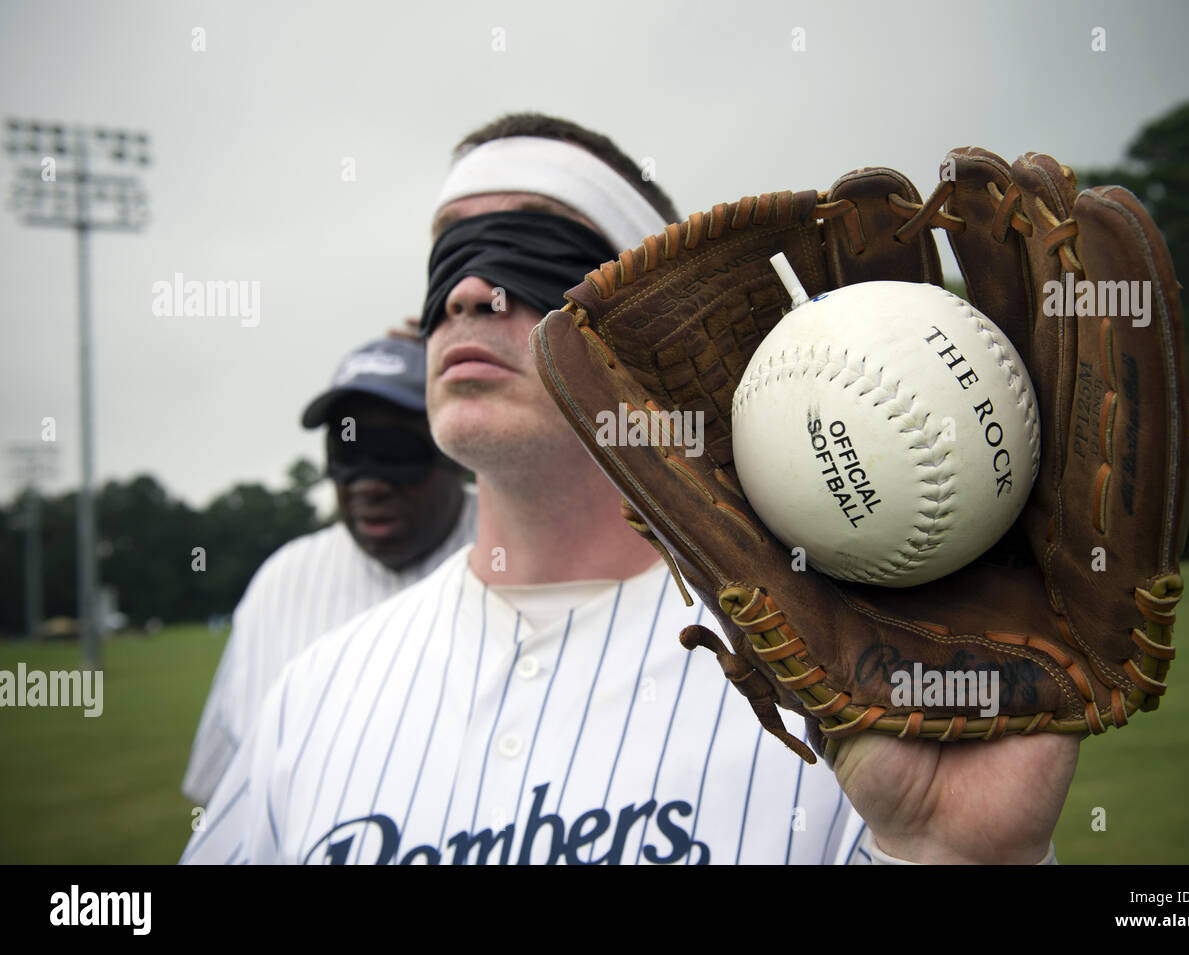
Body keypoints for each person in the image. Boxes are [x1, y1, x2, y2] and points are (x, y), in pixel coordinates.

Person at [181, 114, 1076, 864]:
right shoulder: (314, 695)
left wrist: (952, 860)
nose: (471, 292)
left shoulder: (833, 689)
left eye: (533, 254)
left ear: (646, 326)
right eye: (446, 263)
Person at [181, 336, 477, 806]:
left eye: (396, 451)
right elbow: (221, 789)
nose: (368, 483)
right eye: (347, 452)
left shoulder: (527, 551)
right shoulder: (282, 580)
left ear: (456, 449)